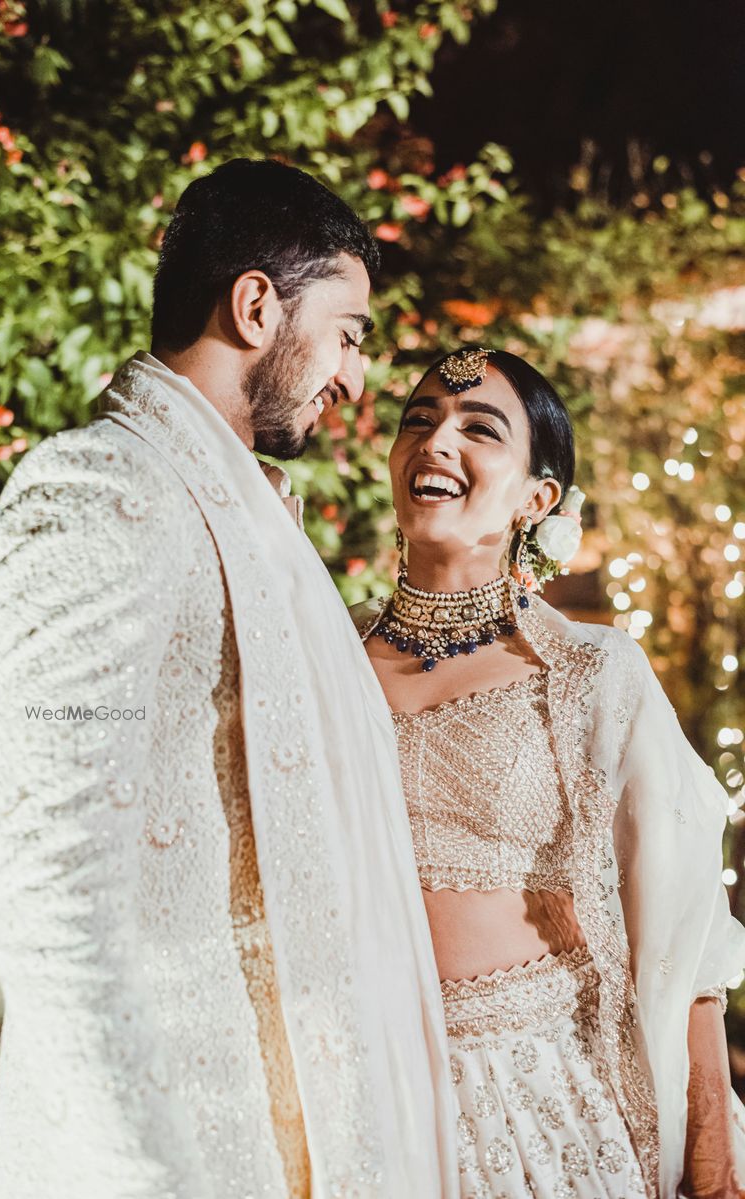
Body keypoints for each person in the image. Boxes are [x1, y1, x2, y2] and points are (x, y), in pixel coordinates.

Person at [0, 159, 459, 1199]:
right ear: (254, 306)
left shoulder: (252, 519)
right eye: (346, 333)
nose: (353, 378)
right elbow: (55, 893)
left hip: (292, 1134)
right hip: (176, 1150)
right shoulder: (101, 491)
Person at [352, 345, 745, 1199]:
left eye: (478, 428)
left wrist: (714, 1159)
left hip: (538, 1097)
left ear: (539, 498)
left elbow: (686, 930)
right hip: (366, 1092)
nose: (436, 441)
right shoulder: (326, 658)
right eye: (418, 421)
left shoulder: (592, 671)